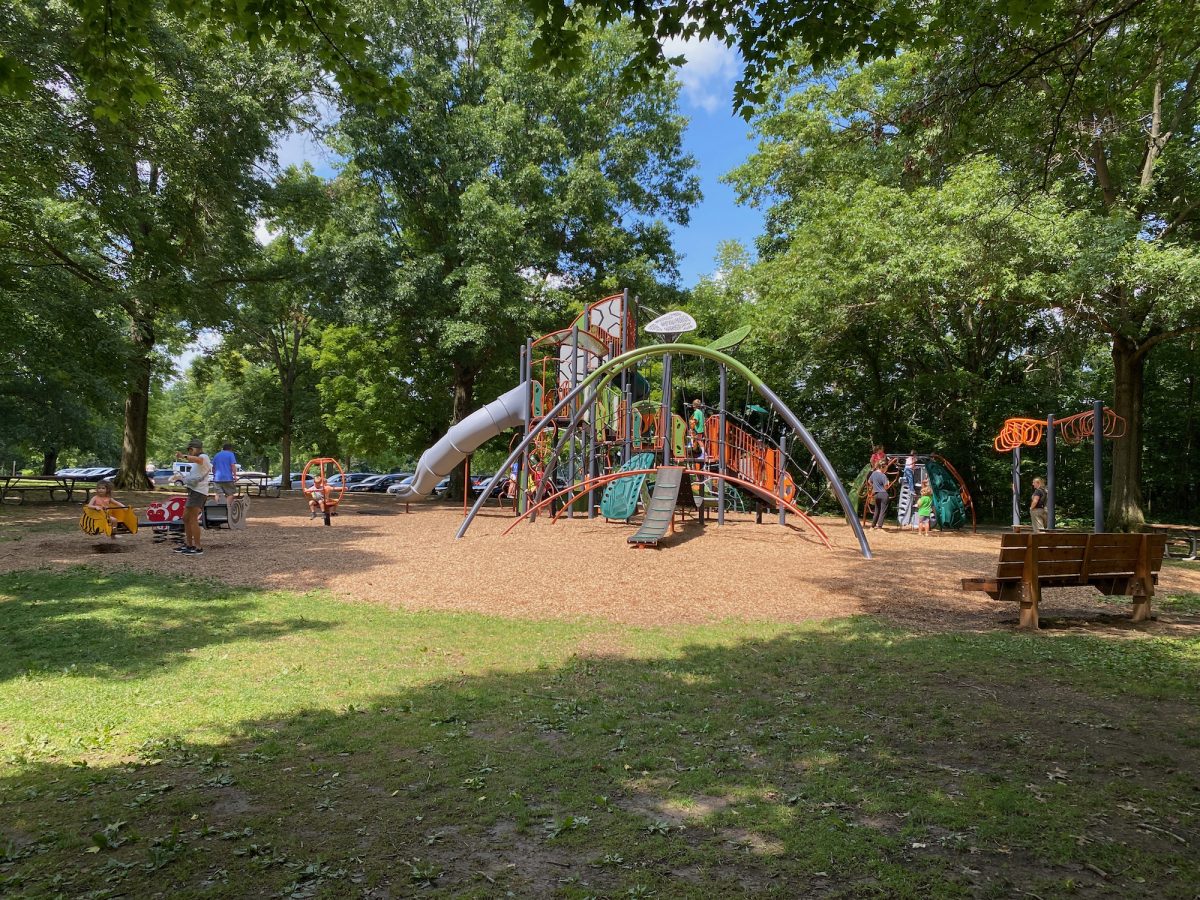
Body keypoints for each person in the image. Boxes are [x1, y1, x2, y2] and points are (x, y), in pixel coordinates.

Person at [174, 439, 211, 555]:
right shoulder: (195, 462)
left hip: (198, 492)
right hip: (193, 491)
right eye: (188, 450)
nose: (190, 451)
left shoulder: (204, 457)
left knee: (193, 519)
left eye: (191, 449)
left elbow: (199, 460)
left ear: (197, 449)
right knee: (186, 518)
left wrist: (183, 456)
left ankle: (198, 547)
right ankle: (189, 544)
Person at [211, 443, 239, 523]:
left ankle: (217, 509)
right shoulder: (231, 454)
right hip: (228, 478)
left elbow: (213, 467)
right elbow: (232, 465)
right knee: (230, 494)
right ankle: (227, 509)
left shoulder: (217, 455)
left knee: (218, 494)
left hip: (217, 478)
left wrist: (214, 475)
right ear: (230, 449)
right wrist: (235, 476)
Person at [868, 461, 889, 530]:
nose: (886, 470)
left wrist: (874, 486)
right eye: (885, 468)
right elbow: (886, 487)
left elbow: (869, 481)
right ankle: (879, 527)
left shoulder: (873, 473)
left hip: (876, 494)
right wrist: (887, 484)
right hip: (883, 494)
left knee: (876, 511)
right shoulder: (883, 475)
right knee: (883, 511)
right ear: (882, 467)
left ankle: (872, 526)